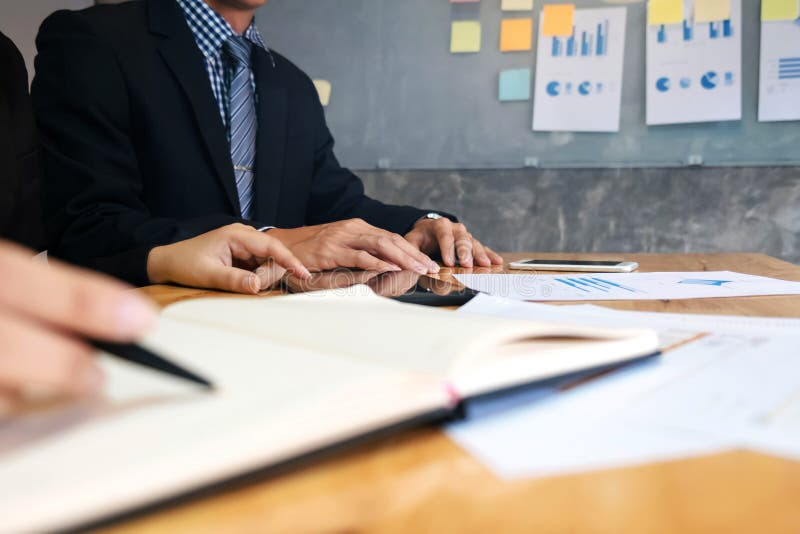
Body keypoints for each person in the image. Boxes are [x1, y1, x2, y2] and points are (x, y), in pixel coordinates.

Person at [31, 0, 503, 288]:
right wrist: (267, 240)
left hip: (276, 337)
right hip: (150, 327)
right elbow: (86, 226)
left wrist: (421, 225)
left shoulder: (289, 83)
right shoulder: (93, 42)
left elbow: (335, 203)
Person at [0, 31, 312, 411]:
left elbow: (18, 238)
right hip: (147, 334)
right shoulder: (95, 43)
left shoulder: (289, 77)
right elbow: (79, 222)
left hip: (256, 332)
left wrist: (409, 225)